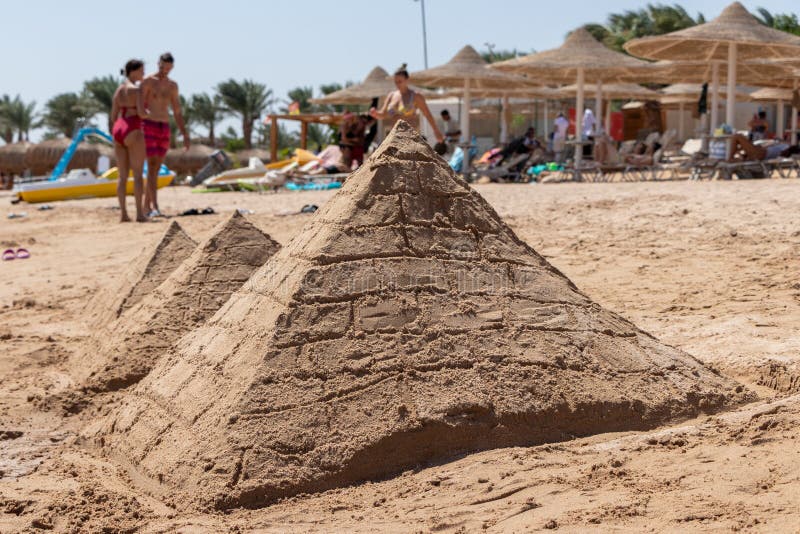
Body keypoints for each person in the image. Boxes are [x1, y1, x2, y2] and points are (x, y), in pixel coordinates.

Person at [141, 52, 189, 217]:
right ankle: (154, 206)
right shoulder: (148, 81)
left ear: (172, 67)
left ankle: (146, 206)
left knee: (156, 168)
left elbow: (177, 111)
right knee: (151, 166)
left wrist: (184, 134)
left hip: (164, 126)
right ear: (158, 63)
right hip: (149, 125)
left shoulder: (172, 86)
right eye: (162, 67)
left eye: (168, 68)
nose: (164, 71)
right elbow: (140, 105)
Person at [110, 59, 147, 223]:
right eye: (142, 70)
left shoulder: (118, 91)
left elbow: (113, 116)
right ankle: (139, 214)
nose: (143, 73)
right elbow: (141, 113)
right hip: (133, 127)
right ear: (133, 71)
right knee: (138, 175)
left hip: (119, 127)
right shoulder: (136, 90)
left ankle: (123, 214)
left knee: (122, 176)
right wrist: (150, 113)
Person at [370, 64, 444, 144]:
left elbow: (427, 114)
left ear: (407, 80)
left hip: (411, 139)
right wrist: (376, 114)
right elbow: (383, 114)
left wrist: (436, 131)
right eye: (396, 82)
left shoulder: (416, 96)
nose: (397, 84)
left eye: (400, 81)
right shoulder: (391, 96)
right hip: (395, 138)